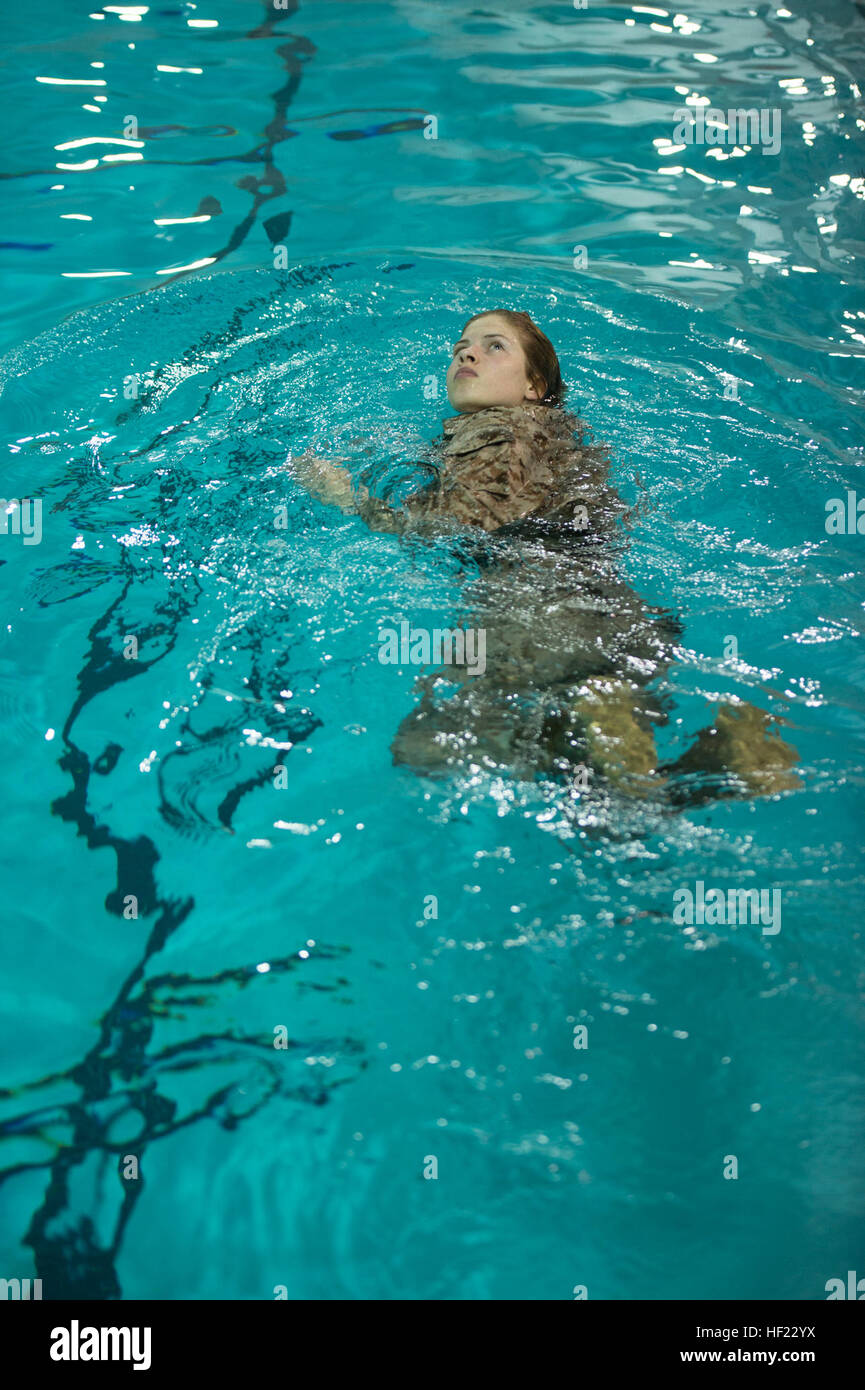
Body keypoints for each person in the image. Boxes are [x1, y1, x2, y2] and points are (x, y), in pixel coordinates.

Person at [290, 310, 799, 800]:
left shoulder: (501, 427)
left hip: (532, 612)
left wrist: (350, 499)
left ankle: (709, 755)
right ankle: (719, 757)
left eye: (494, 347)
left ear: (534, 387)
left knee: (427, 749)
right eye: (461, 347)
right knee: (603, 801)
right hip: (612, 611)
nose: (468, 354)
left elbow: (454, 526)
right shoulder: (556, 435)